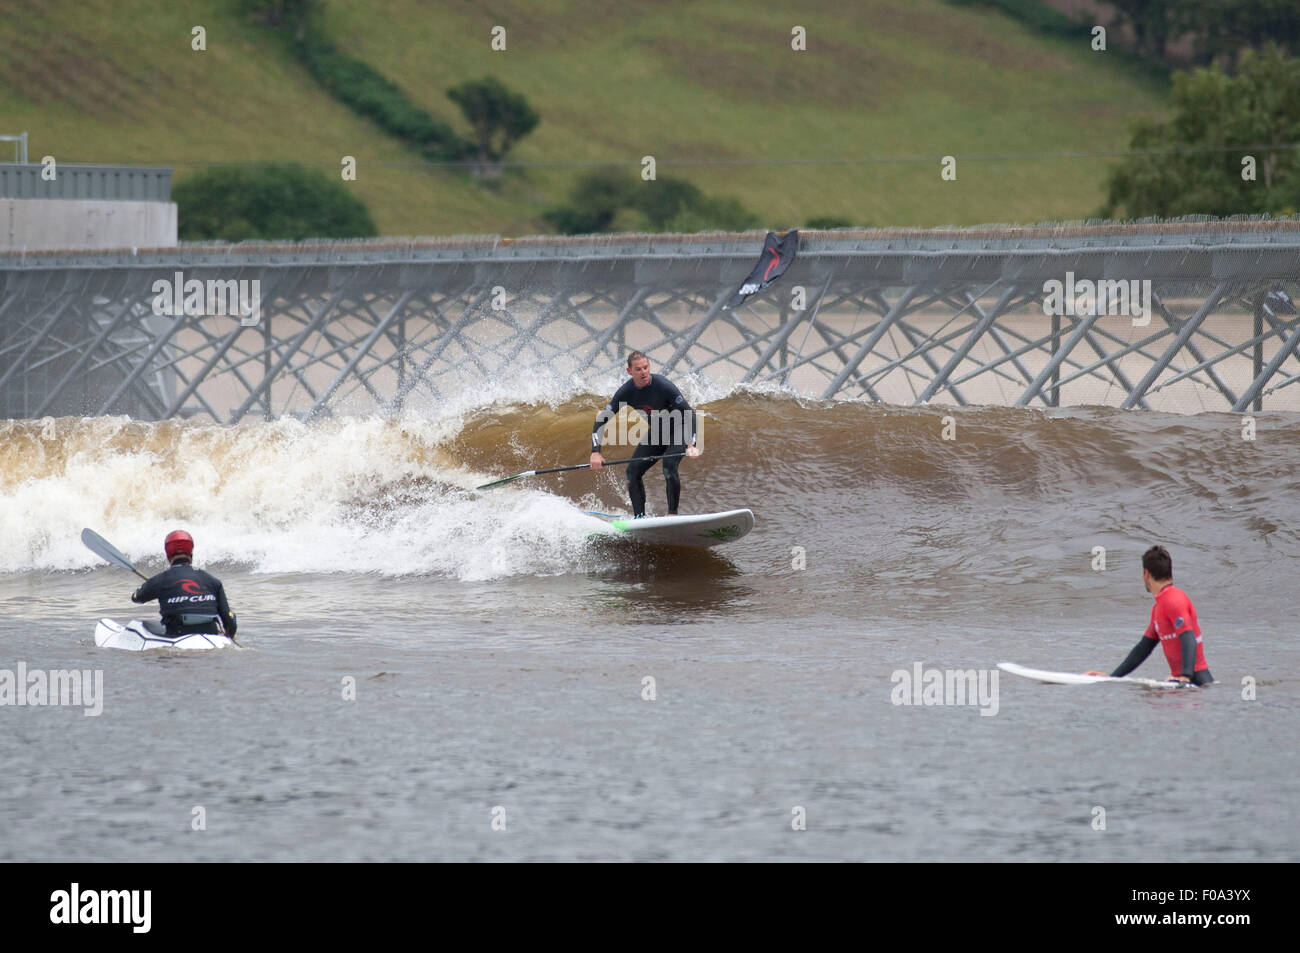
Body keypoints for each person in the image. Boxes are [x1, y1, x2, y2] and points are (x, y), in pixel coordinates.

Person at [590, 351, 701, 517]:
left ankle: (672, 515)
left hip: (681, 429)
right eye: (638, 369)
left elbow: (689, 413)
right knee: (632, 472)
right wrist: (595, 452)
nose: (643, 372)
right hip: (657, 432)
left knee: (669, 465)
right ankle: (639, 518)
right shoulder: (626, 392)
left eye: (646, 367)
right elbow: (601, 420)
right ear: (630, 372)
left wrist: (691, 443)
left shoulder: (663, 386)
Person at [1087, 545, 1212, 685]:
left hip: (1198, 684)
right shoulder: (1159, 606)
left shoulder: (1174, 600)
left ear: (1146, 573)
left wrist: (1185, 676)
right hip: (1183, 683)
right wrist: (1113, 677)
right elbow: (1143, 648)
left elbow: (1189, 638)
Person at [131, 530, 237, 639]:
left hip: (178, 633)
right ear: (191, 552)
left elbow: (136, 597)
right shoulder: (213, 581)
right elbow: (229, 619)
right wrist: (229, 635)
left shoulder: (161, 580)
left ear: (168, 554)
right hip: (210, 634)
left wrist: (151, 586)